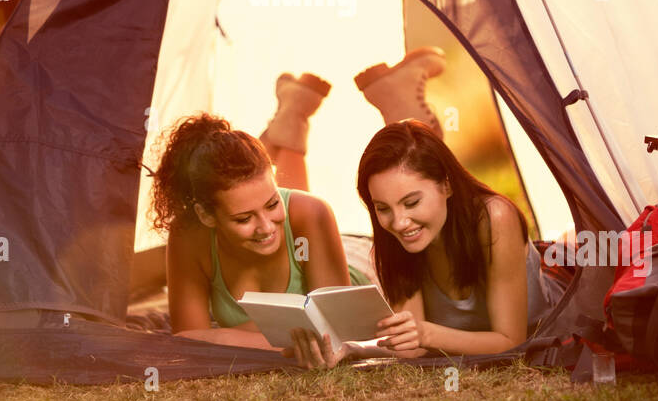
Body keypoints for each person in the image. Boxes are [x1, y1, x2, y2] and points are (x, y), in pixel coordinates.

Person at [149, 109, 372, 369]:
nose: (265, 226)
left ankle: (294, 118)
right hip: (305, 255)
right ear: (206, 215)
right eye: (244, 219)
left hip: (358, 257)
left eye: (273, 203)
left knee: (296, 219)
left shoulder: (312, 211)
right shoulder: (189, 235)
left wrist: (222, 336)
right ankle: (291, 117)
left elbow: (336, 329)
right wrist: (297, 338)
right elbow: (188, 340)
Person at [357, 120, 564, 358]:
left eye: (411, 203)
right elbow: (411, 348)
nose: (399, 222)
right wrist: (351, 348)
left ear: (446, 185)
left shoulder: (495, 218)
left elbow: (510, 342)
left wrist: (426, 334)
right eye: (383, 208)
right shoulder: (396, 238)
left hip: (556, 302)